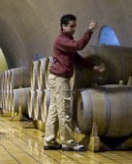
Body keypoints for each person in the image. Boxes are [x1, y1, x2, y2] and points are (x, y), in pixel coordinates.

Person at [44, 14, 103, 151]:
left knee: (54, 110)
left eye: (74, 26)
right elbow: (78, 46)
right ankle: (68, 142)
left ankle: (49, 140)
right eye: (71, 26)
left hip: (57, 78)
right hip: (59, 80)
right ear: (63, 26)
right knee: (64, 110)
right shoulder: (61, 40)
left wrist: (91, 67)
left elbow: (76, 57)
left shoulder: (66, 40)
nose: (73, 29)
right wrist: (89, 31)